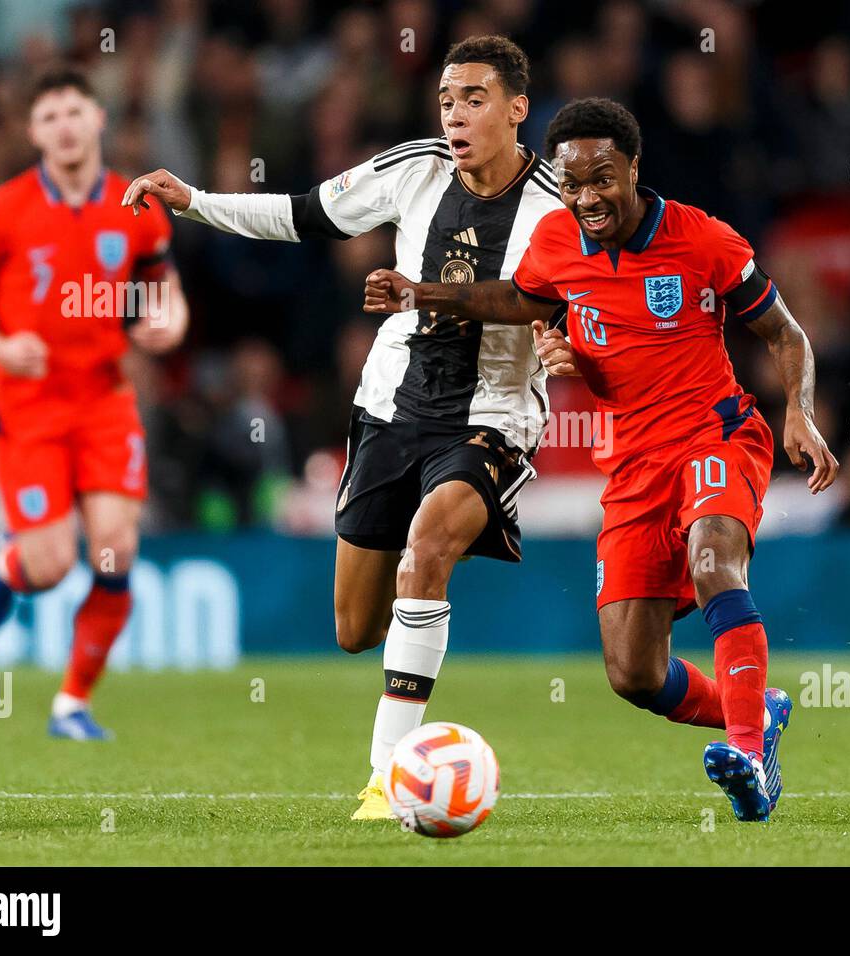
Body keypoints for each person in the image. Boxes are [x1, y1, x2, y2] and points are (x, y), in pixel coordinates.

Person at [123, 36, 563, 820]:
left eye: (475, 99)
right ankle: (409, 658)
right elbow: (305, 213)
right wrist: (196, 199)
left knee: (427, 553)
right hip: (393, 405)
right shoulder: (416, 167)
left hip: (491, 416)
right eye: (446, 99)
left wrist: (569, 338)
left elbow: (570, 296)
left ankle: (384, 778)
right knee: (356, 627)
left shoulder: (557, 204)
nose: (455, 115)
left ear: (518, 109)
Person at [364, 98, 839, 822]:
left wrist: (798, 408)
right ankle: (756, 711)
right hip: (632, 467)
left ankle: (750, 758)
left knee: (715, 559)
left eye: (602, 179)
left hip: (716, 434)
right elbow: (519, 300)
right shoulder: (557, 242)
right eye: (573, 182)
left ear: (633, 170)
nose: (587, 197)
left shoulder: (700, 238)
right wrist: (423, 293)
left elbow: (784, 332)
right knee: (634, 672)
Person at [0, 67, 189, 740]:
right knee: (49, 566)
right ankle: (6, 564)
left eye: (74, 110)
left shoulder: (136, 205)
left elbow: (161, 286)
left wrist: (169, 322)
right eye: (49, 116)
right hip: (29, 404)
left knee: (115, 550)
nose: (64, 125)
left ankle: (71, 704)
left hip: (105, 400)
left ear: (98, 118)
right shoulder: (4, 208)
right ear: (33, 132)